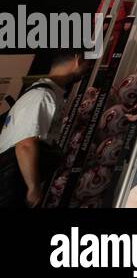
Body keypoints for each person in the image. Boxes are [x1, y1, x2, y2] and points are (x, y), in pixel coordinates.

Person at [0, 50, 87, 208]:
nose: (87, 68)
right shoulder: (42, 95)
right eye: (88, 63)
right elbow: (25, 144)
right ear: (77, 60)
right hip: (11, 185)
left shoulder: (48, 94)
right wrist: (33, 186)